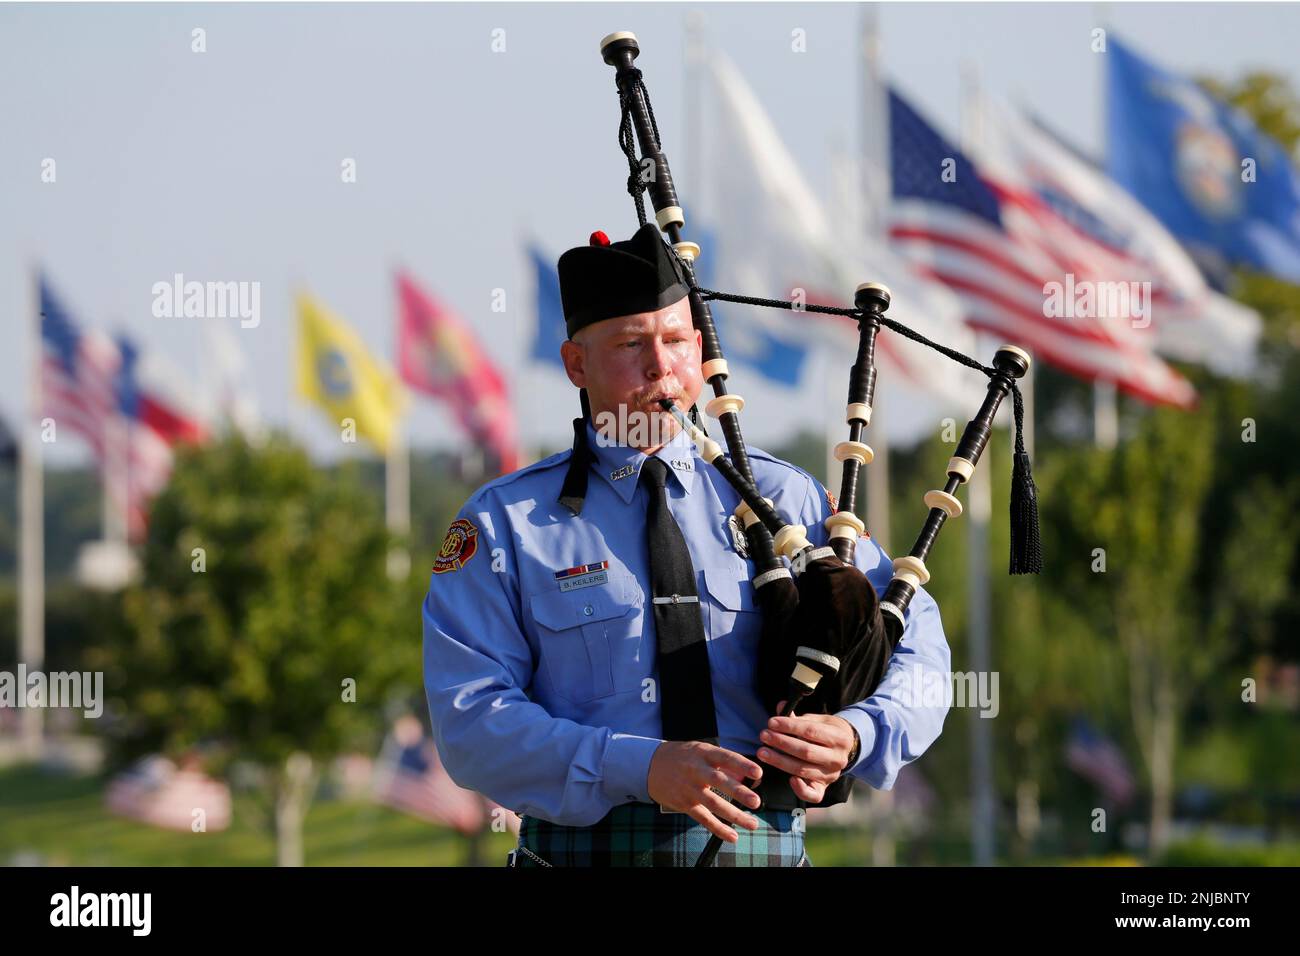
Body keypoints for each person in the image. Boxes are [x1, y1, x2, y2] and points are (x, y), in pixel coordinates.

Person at [422, 222, 952, 867]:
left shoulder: (789, 501)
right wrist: (639, 766)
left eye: (675, 341)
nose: (660, 366)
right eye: (630, 343)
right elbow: (470, 721)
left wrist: (856, 732)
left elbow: (918, 653)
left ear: (701, 351)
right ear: (576, 364)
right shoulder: (504, 525)